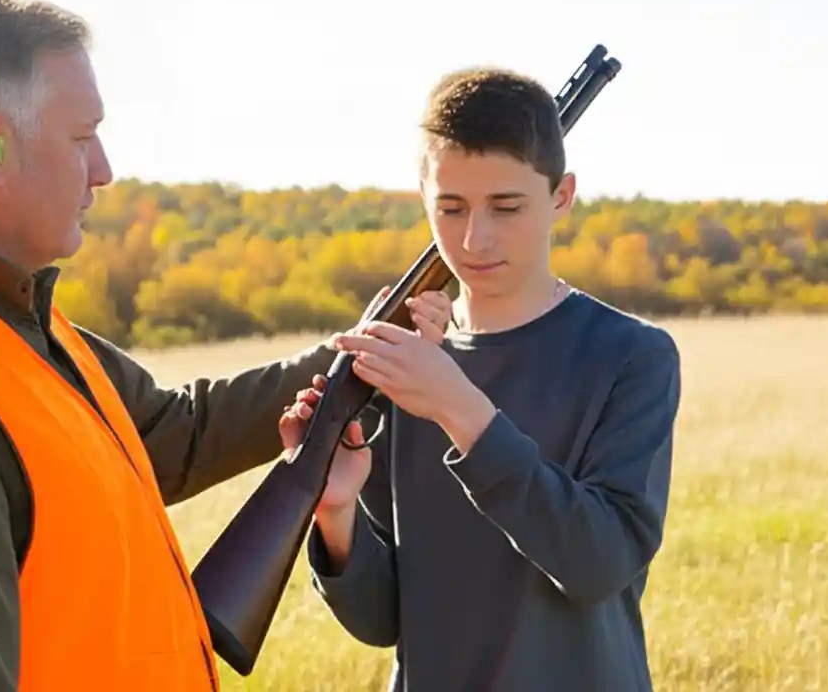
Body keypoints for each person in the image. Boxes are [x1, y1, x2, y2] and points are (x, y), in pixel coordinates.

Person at [0, 0, 451, 692]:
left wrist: (364, 353)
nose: (103, 169)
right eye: (80, 137)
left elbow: (176, 431)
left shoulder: (0, 321)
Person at [284, 67, 683, 691]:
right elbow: (383, 617)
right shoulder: (408, 363)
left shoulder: (632, 356)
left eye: (506, 206)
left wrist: (459, 408)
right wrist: (336, 513)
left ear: (562, 195)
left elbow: (598, 566)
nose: (475, 237)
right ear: (423, 198)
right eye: (451, 207)